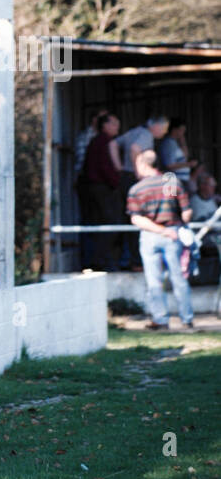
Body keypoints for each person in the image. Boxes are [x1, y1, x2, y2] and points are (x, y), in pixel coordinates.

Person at [127, 149, 193, 330]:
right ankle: (186, 318)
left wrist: (159, 230)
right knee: (178, 277)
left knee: (153, 280)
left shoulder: (136, 189)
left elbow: (136, 218)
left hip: (150, 236)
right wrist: (178, 228)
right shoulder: (169, 181)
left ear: (143, 165)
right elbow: (186, 211)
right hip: (172, 234)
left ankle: (160, 319)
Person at [116, 116, 170, 270]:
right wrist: (136, 171)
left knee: (128, 221)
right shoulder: (145, 135)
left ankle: (133, 261)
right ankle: (136, 262)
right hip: (160, 234)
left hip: (127, 178)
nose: (165, 133)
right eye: (164, 129)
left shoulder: (134, 131)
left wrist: (118, 167)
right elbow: (134, 148)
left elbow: (113, 144)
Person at [81, 112, 122, 271]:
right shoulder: (104, 142)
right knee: (110, 223)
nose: (117, 128)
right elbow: (106, 167)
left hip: (93, 188)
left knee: (99, 224)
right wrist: (116, 183)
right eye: (114, 124)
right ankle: (102, 262)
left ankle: (97, 261)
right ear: (105, 125)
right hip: (102, 188)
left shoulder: (96, 141)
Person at [74, 109, 108, 267]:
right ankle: (88, 262)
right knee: (90, 221)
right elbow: (83, 164)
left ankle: (97, 260)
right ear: (96, 120)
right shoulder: (89, 137)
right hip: (88, 183)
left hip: (94, 182)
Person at [158, 118, 196, 189]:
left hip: (180, 179)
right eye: (181, 130)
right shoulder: (168, 144)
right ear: (174, 130)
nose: (183, 133)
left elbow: (185, 156)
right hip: (174, 180)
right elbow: (169, 165)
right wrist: (189, 164)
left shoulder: (174, 143)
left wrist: (182, 141)